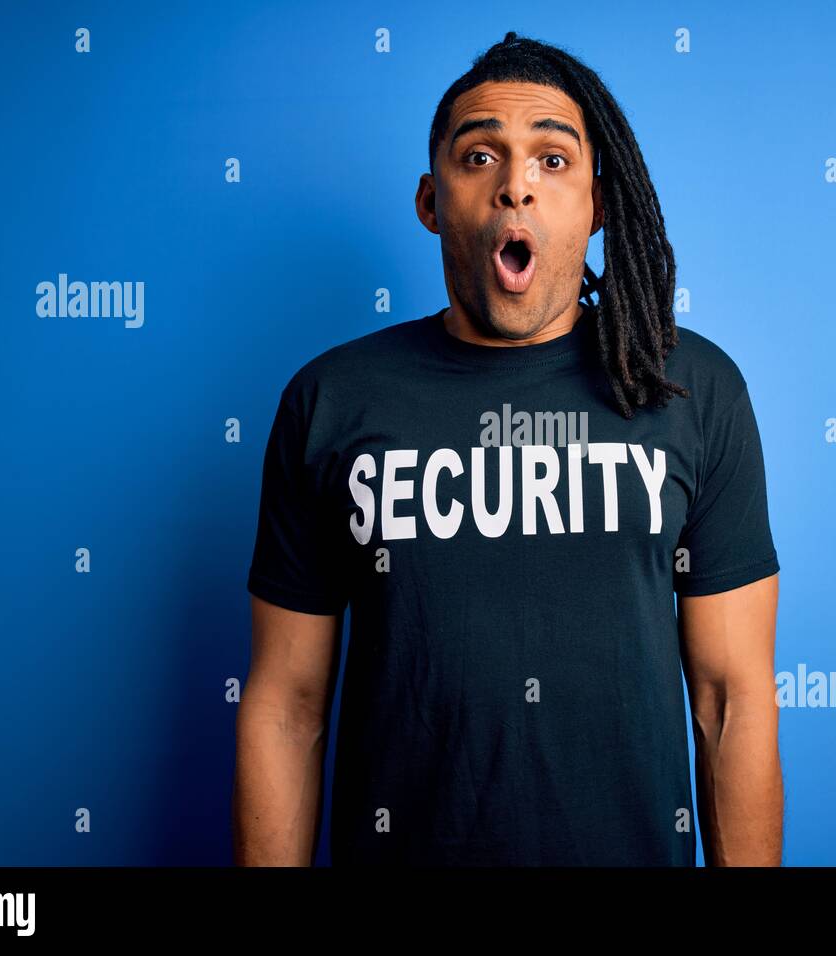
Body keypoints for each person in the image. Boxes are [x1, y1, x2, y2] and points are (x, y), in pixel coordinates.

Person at [233, 31, 782, 866]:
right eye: (480, 156)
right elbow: (287, 707)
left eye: (552, 160)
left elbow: (729, 698)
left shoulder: (690, 390)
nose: (515, 184)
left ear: (599, 204)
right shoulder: (331, 400)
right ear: (431, 203)